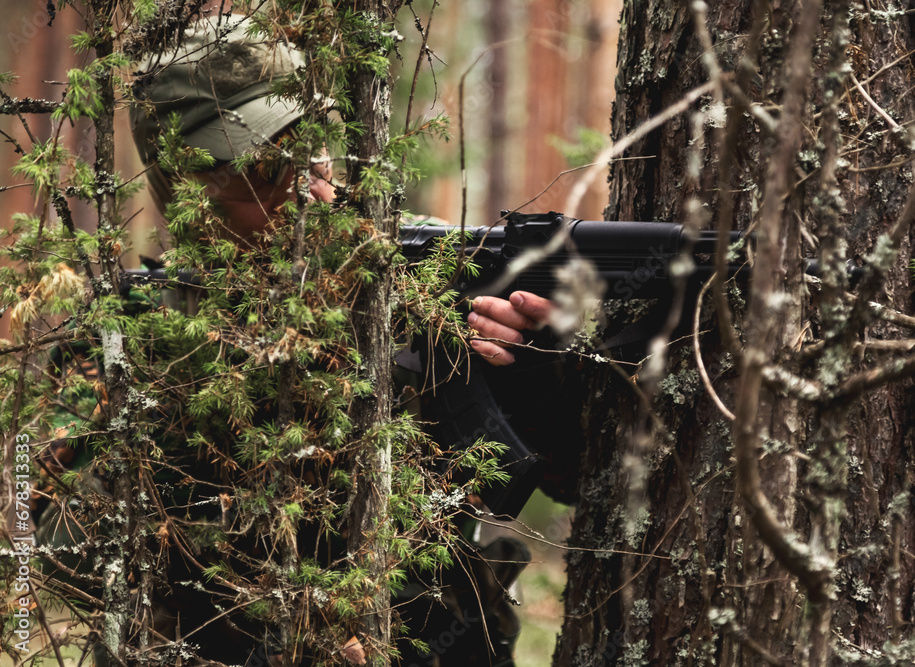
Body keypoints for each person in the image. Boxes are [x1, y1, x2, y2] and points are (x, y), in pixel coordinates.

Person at [36, 10, 553, 667]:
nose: (309, 189)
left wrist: (540, 361)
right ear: (186, 186)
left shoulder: (424, 271)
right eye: (263, 170)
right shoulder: (127, 338)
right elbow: (51, 541)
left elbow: (577, 473)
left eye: (310, 151)